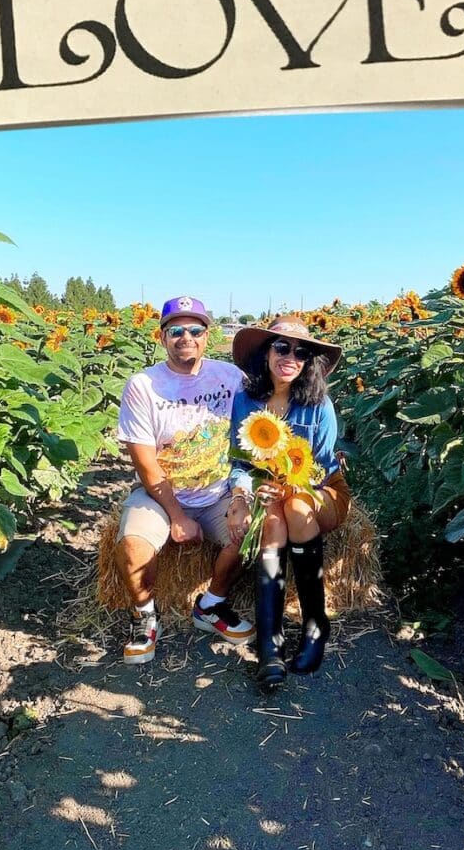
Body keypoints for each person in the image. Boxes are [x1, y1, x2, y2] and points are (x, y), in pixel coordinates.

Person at [115, 296, 255, 664]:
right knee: (132, 543)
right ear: (162, 337)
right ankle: (145, 617)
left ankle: (212, 605)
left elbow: (257, 426)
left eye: (195, 329)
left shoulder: (231, 378)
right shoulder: (143, 385)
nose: (186, 337)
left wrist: (245, 494)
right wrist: (177, 516)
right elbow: (145, 462)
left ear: (208, 336)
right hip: (161, 495)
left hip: (218, 490)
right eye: (176, 330)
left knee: (253, 533)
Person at [227, 315, 350, 692]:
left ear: (309, 361)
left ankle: (315, 626)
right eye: (282, 347)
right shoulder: (246, 401)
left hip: (319, 489)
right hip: (270, 493)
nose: (291, 356)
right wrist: (243, 495)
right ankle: (270, 643)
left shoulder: (319, 404)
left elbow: (322, 466)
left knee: (295, 507)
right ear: (266, 353)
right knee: (274, 521)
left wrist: (288, 486)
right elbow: (240, 462)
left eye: (302, 351)